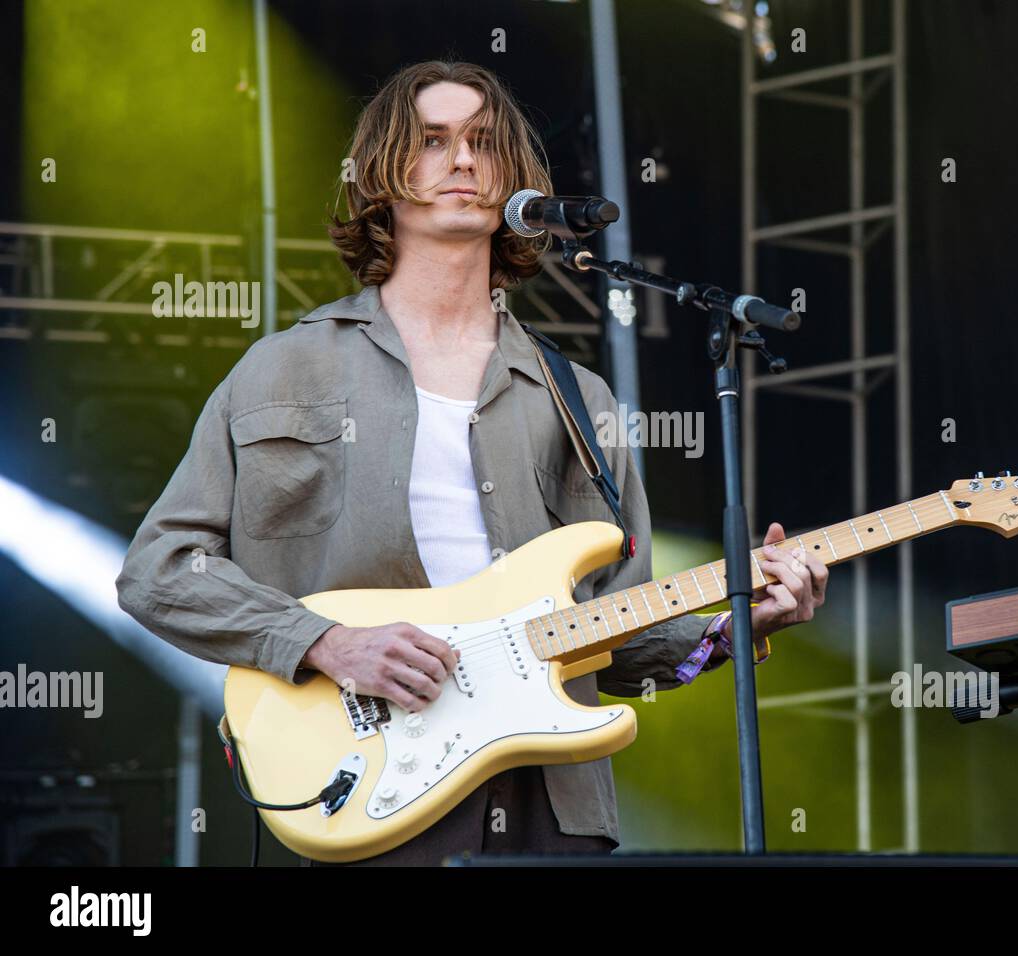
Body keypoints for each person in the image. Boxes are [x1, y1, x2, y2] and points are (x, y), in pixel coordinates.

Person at [116, 59, 828, 865]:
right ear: (382, 175)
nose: (463, 160)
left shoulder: (579, 397)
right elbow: (161, 570)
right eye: (433, 140)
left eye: (484, 143)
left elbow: (621, 639)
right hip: (353, 785)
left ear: (515, 182)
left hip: (547, 806)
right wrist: (321, 641)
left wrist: (736, 625)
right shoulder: (283, 370)